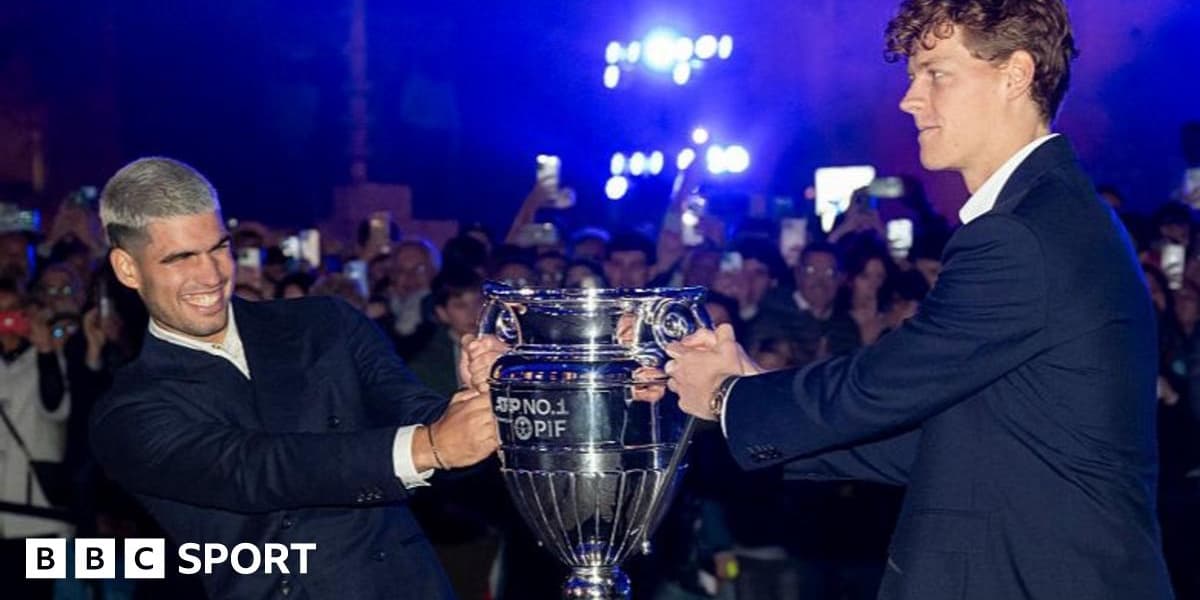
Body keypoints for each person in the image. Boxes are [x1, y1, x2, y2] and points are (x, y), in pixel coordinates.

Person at [661, 1, 1174, 598]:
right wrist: (747, 386)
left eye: (936, 73)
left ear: (1015, 75)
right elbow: (957, 441)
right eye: (911, 77)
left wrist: (730, 399)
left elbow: (884, 383)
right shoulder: (1050, 214)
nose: (910, 98)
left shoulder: (1023, 233)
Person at [89, 157, 499, 599]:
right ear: (128, 269)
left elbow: (421, 419)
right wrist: (431, 444)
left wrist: (475, 399)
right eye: (180, 258)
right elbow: (261, 468)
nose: (210, 275)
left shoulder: (325, 323)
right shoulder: (128, 412)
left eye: (218, 248)